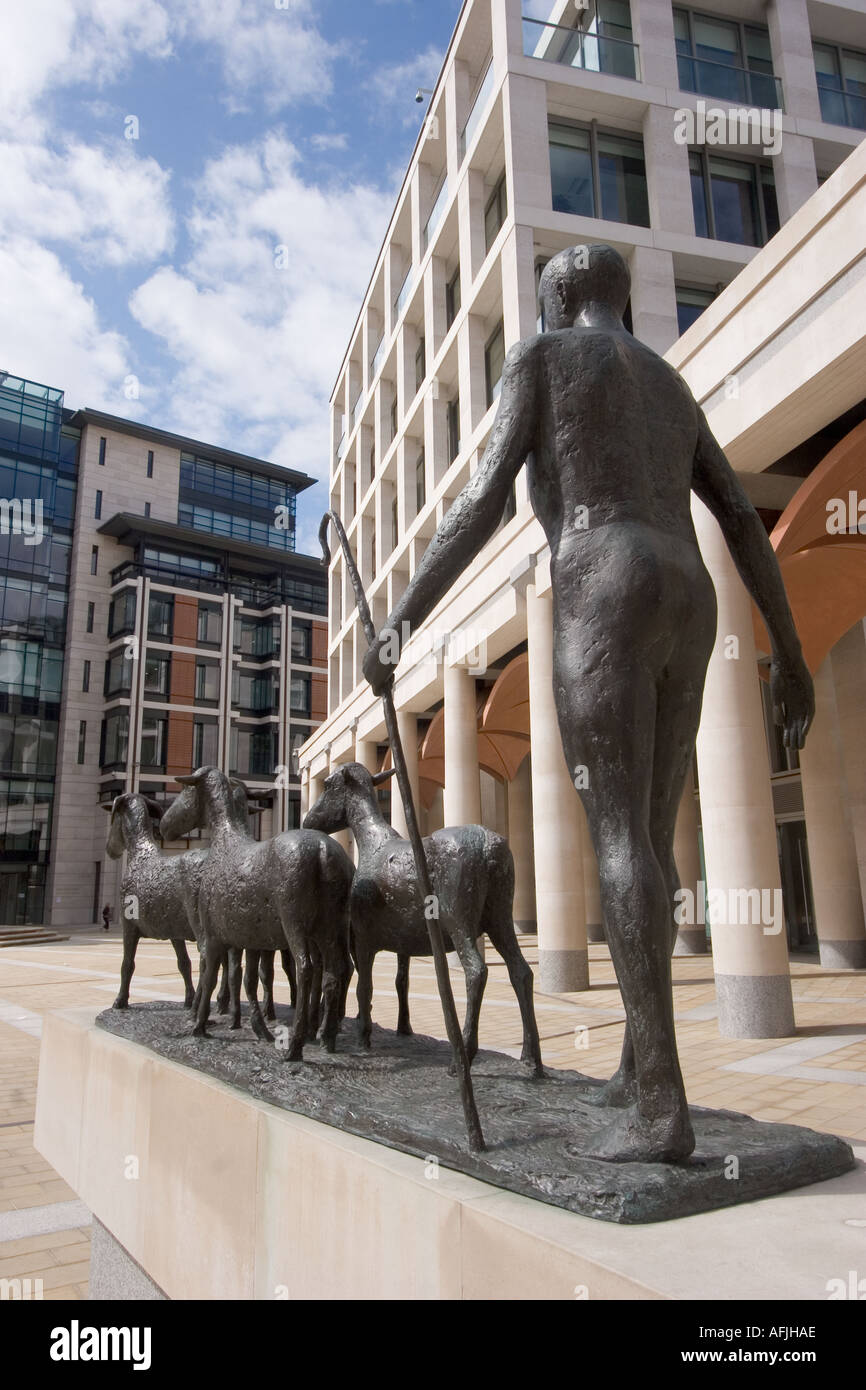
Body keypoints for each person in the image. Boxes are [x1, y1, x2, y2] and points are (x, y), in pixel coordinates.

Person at [363, 243, 814, 1163]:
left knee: (619, 839)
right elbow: (735, 512)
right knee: (648, 838)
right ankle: (633, 1064)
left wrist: (403, 616)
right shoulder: (669, 383)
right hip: (692, 593)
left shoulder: (543, 357)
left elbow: (486, 497)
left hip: (603, 578)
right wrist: (791, 650)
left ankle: (661, 1105)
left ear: (558, 298)